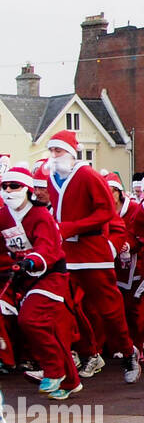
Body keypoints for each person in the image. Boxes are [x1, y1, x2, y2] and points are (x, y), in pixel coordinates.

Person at [45, 129, 141, 384]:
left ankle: (128, 351)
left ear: (72, 151)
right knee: (66, 306)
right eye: (52, 150)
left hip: (93, 253)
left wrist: (71, 227)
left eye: (59, 150)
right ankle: (88, 352)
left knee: (109, 309)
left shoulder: (87, 175)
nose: (55, 155)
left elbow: (107, 213)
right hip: (66, 253)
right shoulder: (52, 178)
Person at [0, 164, 81, 399]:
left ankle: (53, 371)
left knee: (30, 320)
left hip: (51, 276)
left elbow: (48, 248)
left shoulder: (41, 215)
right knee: (53, 330)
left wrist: (32, 260)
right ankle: (71, 382)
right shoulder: (3, 216)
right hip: (22, 279)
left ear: (27, 189)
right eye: (4, 186)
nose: (8, 190)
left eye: (14, 186)